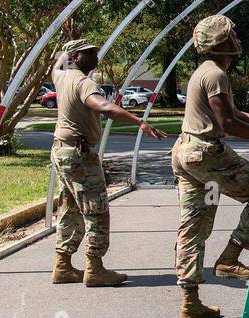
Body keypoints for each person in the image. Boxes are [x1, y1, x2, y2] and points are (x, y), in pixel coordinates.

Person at [172, 16, 249, 318]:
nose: (237, 38)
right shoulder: (215, 75)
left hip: (187, 154)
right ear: (220, 42)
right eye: (232, 34)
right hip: (207, 153)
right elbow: (227, 124)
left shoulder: (207, 73)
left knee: (193, 227)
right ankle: (230, 257)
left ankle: (190, 303)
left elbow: (234, 114)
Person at [50, 38, 166, 286]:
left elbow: (55, 67)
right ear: (77, 58)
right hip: (80, 155)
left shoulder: (61, 78)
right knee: (97, 210)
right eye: (91, 53)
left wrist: (64, 53)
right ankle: (95, 268)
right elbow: (103, 106)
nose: (96, 56)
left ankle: (63, 265)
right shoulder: (83, 82)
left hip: (62, 151)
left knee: (70, 208)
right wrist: (140, 122)